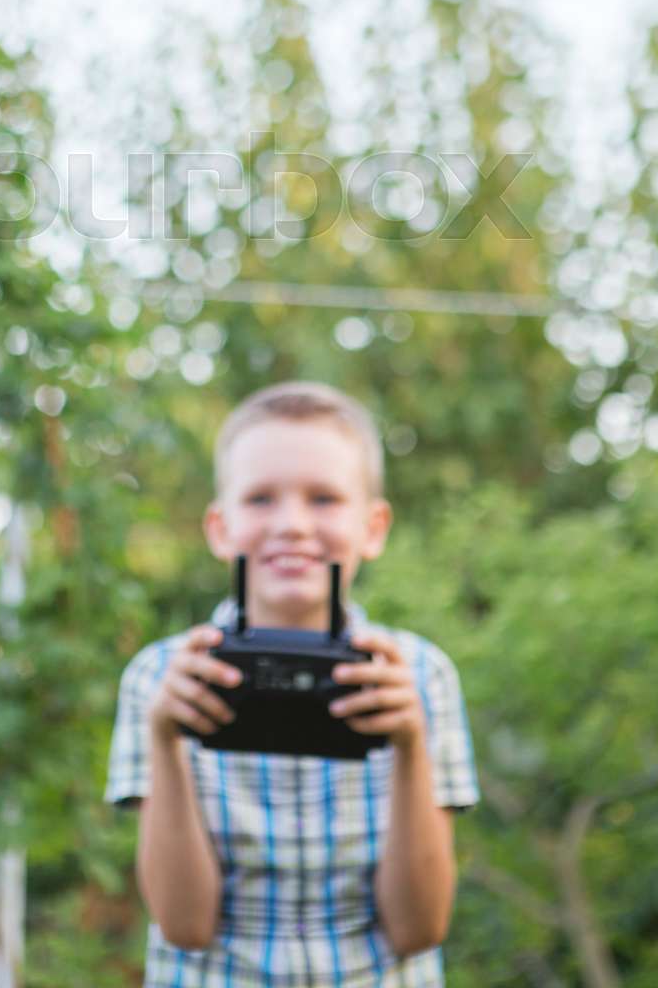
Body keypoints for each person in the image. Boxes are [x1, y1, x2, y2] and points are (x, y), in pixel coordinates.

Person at [104, 381, 479, 986]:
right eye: (260, 499)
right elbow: (184, 925)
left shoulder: (420, 675)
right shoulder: (160, 679)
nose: (292, 525)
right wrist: (164, 740)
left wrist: (411, 745)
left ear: (374, 526)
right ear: (220, 527)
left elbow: (418, 928)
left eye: (325, 498)